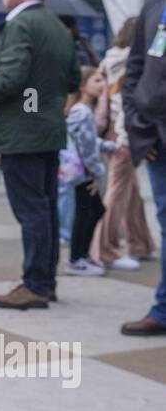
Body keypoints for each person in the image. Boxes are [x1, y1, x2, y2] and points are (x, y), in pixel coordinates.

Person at [0, 0, 80, 309]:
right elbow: (74, 79)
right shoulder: (58, 27)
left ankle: (34, 284)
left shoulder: (20, 24)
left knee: (32, 211)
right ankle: (44, 281)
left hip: (20, 132)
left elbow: (11, 76)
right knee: (45, 207)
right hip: (49, 131)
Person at [120, 0, 166, 337]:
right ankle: (163, 310)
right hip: (154, 138)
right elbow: (135, 69)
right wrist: (138, 127)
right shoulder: (154, 3)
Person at [91, 18, 154, 270]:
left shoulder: (109, 61)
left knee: (130, 193)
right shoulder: (136, 61)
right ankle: (103, 249)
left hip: (113, 130)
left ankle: (140, 243)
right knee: (118, 192)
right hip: (126, 131)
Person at [62, 66, 116, 275]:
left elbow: (90, 141)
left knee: (93, 210)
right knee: (86, 212)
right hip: (83, 171)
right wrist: (96, 172)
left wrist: (110, 146)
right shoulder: (81, 112)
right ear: (83, 87)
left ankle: (81, 256)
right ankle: (77, 259)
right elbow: (86, 146)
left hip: (83, 170)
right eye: (96, 81)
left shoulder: (82, 111)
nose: (102, 85)